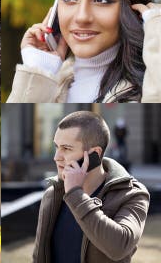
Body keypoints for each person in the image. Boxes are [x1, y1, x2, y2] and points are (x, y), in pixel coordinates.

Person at [7, 0, 161, 103]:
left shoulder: (150, 85)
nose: (82, 17)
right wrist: (38, 71)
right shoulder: (52, 83)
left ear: (134, 9)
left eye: (101, 0)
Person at [32, 111, 149, 262]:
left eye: (66, 148)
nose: (57, 157)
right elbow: (39, 255)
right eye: (57, 147)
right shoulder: (53, 194)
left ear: (94, 154)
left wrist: (75, 194)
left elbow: (120, 247)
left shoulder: (132, 194)